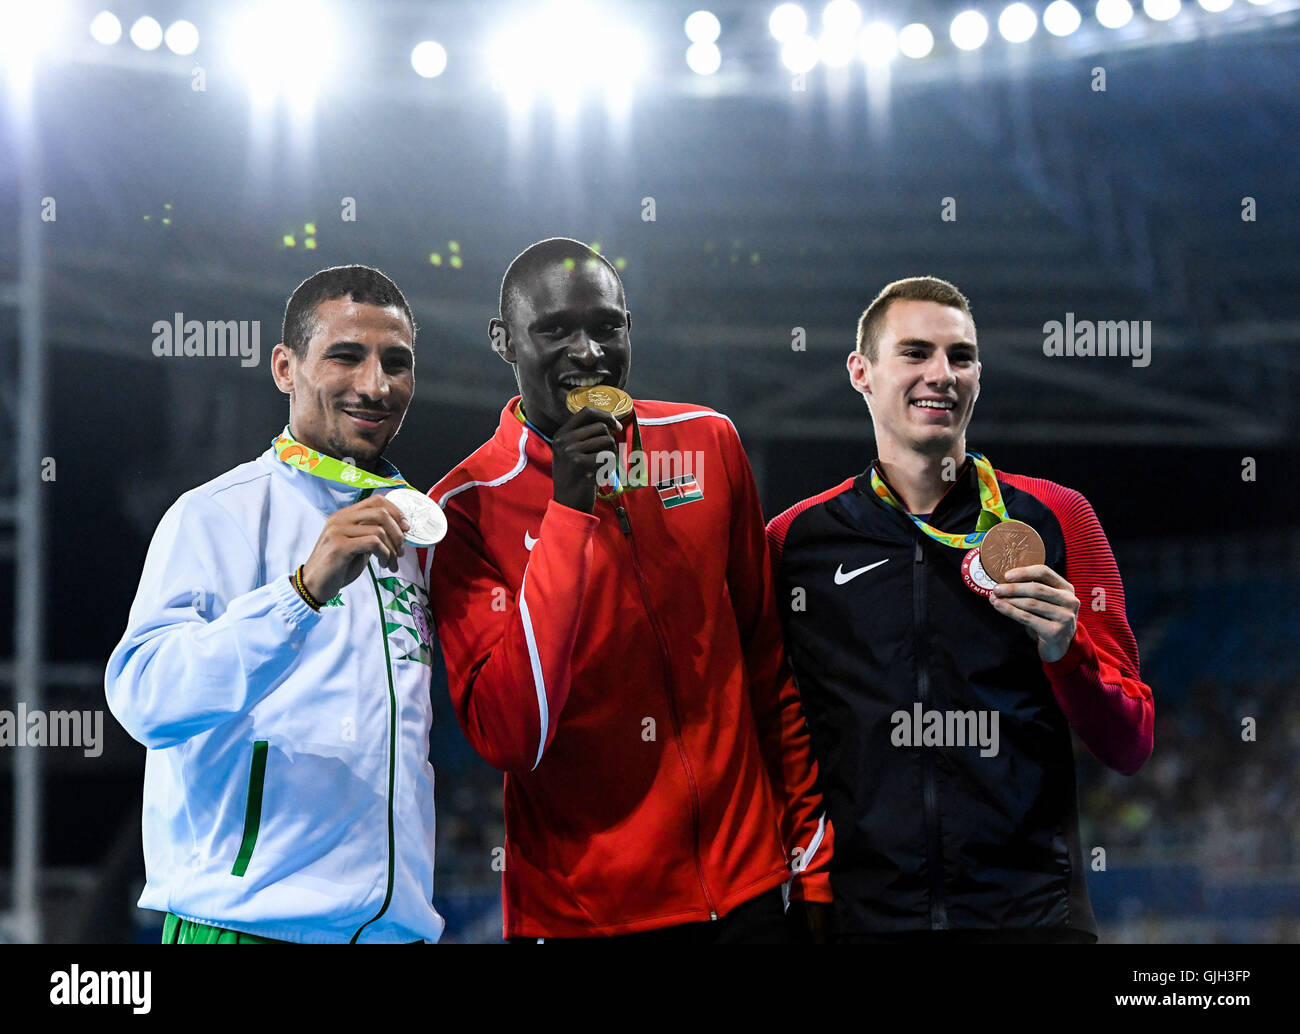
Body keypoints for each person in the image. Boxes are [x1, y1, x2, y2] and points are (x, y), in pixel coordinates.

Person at [427, 238, 832, 942]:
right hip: (584, 922)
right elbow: (510, 735)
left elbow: (768, 665)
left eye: (607, 326)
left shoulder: (708, 444)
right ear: (504, 340)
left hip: (749, 897)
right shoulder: (464, 510)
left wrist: (814, 860)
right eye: (555, 330)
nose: (588, 352)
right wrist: (568, 510)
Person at [766, 276, 1154, 943]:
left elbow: (1130, 743)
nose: (942, 375)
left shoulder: (1058, 518)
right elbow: (773, 730)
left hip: (1033, 920)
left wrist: (1067, 653)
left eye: (962, 357)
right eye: (915, 353)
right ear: (861, 372)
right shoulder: (795, 543)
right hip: (863, 923)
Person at [105, 265, 443, 943]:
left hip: (392, 933)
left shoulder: (419, 535)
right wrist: (300, 592)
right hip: (246, 928)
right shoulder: (214, 515)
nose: (375, 385)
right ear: (285, 369)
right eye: (346, 356)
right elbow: (144, 697)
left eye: (395, 363)